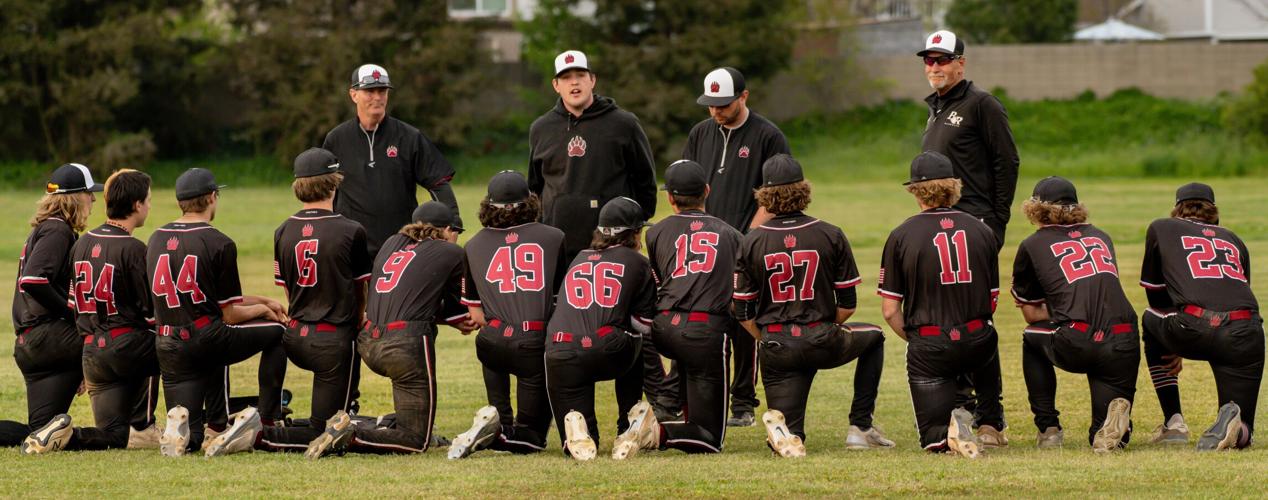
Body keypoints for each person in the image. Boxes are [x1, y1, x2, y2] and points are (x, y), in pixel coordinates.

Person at [204, 148, 374, 457]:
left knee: (323, 423)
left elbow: (287, 290)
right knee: (329, 432)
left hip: (294, 336)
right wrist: (359, 317)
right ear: (334, 183)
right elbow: (362, 289)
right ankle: (258, 434)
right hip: (333, 342)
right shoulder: (352, 230)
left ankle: (262, 418)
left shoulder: (282, 231)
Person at [527, 49, 670, 417]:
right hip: (561, 249)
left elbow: (645, 182)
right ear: (556, 85)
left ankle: (646, 409)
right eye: (567, 77)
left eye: (581, 75)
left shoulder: (622, 123)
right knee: (563, 331)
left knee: (631, 327)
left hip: (613, 248)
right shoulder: (542, 128)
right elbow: (535, 187)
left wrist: (630, 230)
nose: (574, 82)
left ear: (593, 80)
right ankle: (567, 414)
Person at [732, 154, 891, 457]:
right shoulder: (830, 233)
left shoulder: (751, 241)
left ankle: (786, 432)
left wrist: (766, 337)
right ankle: (860, 427)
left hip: (776, 344)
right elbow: (848, 303)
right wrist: (818, 327)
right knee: (875, 337)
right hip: (822, 338)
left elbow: (741, 311)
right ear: (803, 190)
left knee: (792, 435)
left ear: (764, 197)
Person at [303, 202, 473, 458]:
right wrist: (463, 319)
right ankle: (352, 435)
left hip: (368, 340)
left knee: (410, 424)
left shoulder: (392, 242)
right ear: (447, 229)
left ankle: (356, 423)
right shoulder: (450, 251)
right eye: (456, 232)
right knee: (416, 440)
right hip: (402, 347)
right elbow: (458, 310)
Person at [145, 168, 289, 457]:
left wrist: (260, 299)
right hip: (205, 339)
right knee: (279, 333)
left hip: (168, 344)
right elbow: (231, 315)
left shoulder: (156, 238)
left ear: (179, 203)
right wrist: (264, 309)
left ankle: (204, 428)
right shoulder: (219, 241)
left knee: (193, 438)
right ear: (212, 197)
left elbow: (210, 299)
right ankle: (270, 420)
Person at [683, 66, 791, 427]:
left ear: (744, 97)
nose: (716, 111)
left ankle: (742, 402)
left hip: (747, 243)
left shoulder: (767, 136)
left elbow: (773, 193)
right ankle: (686, 393)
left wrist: (746, 239)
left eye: (724, 104)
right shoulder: (700, 133)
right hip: (705, 244)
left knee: (743, 320)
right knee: (697, 318)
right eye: (711, 104)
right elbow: (690, 187)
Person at [877, 152, 1005, 459]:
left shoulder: (901, 235)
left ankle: (947, 431)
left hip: (930, 343)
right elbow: (991, 301)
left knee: (934, 442)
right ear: (954, 187)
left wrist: (917, 340)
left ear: (915, 191)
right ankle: (990, 425)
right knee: (986, 335)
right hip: (977, 339)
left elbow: (890, 310)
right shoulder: (982, 230)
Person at [623, 159, 742, 457]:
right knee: (710, 439)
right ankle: (655, 430)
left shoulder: (655, 232)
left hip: (665, 328)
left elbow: (662, 280)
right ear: (707, 190)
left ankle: (667, 405)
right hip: (705, 331)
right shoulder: (732, 235)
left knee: (689, 368)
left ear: (670, 198)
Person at [1011, 176, 1138, 453]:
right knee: (1102, 435)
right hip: (1125, 335)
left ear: (1035, 209)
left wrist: (1059, 311)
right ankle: (1112, 426)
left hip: (1079, 337)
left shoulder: (1033, 244)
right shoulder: (1101, 236)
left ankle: (1049, 428)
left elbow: (1032, 313)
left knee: (1032, 337)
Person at [448, 171, 567, 459]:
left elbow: (475, 314)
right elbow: (559, 299)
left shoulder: (473, 244)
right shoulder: (554, 237)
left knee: (500, 412)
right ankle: (499, 434)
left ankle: (495, 422)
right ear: (529, 203)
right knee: (532, 438)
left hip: (492, 341)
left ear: (488, 205)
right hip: (533, 341)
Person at [1139, 182, 1262, 451]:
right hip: (1248, 330)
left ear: (1177, 209)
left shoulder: (1162, 227)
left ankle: (1174, 422)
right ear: (1214, 213)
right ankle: (1237, 430)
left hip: (1194, 324)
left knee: (1150, 318)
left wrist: (1174, 341)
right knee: (1242, 428)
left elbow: (1156, 294)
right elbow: (1237, 292)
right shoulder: (1233, 238)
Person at [542, 197, 658, 462]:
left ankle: (580, 429)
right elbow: (645, 325)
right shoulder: (638, 262)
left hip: (559, 350)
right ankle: (627, 424)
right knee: (635, 336)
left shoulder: (578, 258)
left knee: (583, 445)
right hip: (608, 348)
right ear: (635, 233)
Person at [323, 63, 460, 257]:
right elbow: (325, 191)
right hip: (351, 245)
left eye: (382, 91)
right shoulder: (337, 139)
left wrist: (453, 225)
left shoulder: (409, 137)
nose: (377, 97)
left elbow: (439, 183)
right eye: (370, 91)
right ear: (353, 95)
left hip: (402, 246)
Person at [11, 164, 100, 451]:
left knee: (40, 431)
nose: (94, 200)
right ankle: (139, 426)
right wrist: (74, 318)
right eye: (89, 193)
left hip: (30, 343)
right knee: (119, 341)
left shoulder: (46, 228)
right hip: (49, 337)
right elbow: (34, 280)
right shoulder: (57, 230)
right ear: (74, 197)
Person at [918, 30, 1019, 240]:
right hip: (939, 220)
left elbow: (1007, 160)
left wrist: (998, 219)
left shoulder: (982, 103)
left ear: (960, 63)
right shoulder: (936, 106)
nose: (935, 67)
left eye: (943, 60)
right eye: (929, 60)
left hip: (975, 218)